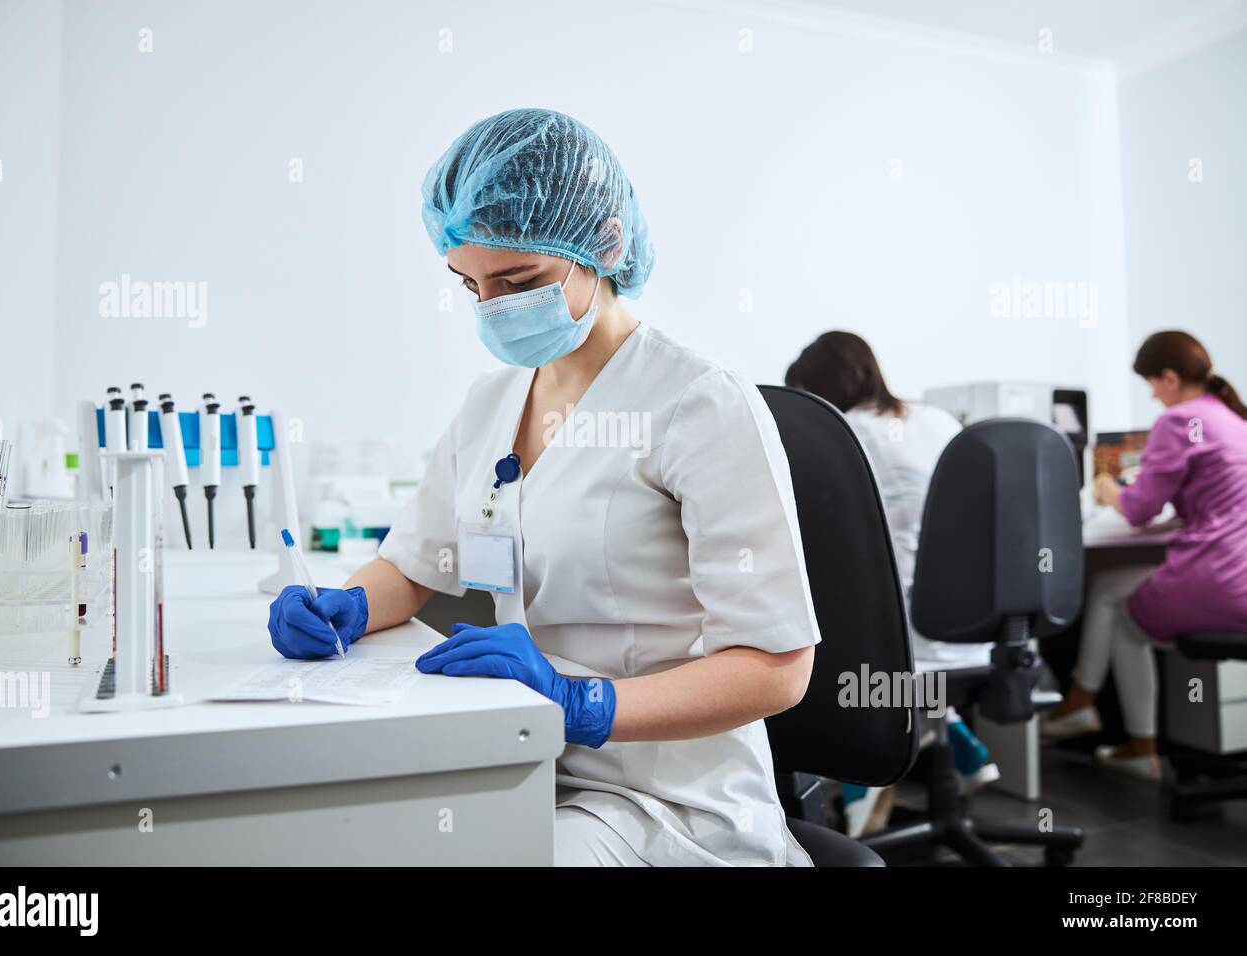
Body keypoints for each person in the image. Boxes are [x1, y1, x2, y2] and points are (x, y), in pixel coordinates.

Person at [266, 109, 821, 866]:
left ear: (604, 245)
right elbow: (413, 566)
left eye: (518, 281)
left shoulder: (698, 404)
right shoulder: (489, 405)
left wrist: (580, 704)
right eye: (472, 286)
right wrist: (353, 605)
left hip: (669, 804)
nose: (493, 308)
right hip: (520, 760)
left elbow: (778, 667)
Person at [785, 331, 997, 837]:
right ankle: (963, 751)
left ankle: (860, 793)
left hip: (907, 633)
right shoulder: (937, 419)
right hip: (977, 627)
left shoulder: (845, 430)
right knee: (892, 658)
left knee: (802, 645)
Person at [1043, 330, 1247, 780]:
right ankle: (1097, 712)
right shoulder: (1234, 418)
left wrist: (1106, 487)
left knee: (1119, 608)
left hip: (1219, 580)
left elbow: (1138, 509)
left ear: (1170, 378)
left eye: (1152, 384)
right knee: (1110, 588)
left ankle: (1117, 727)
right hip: (1239, 574)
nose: (1153, 396)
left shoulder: (1179, 421)